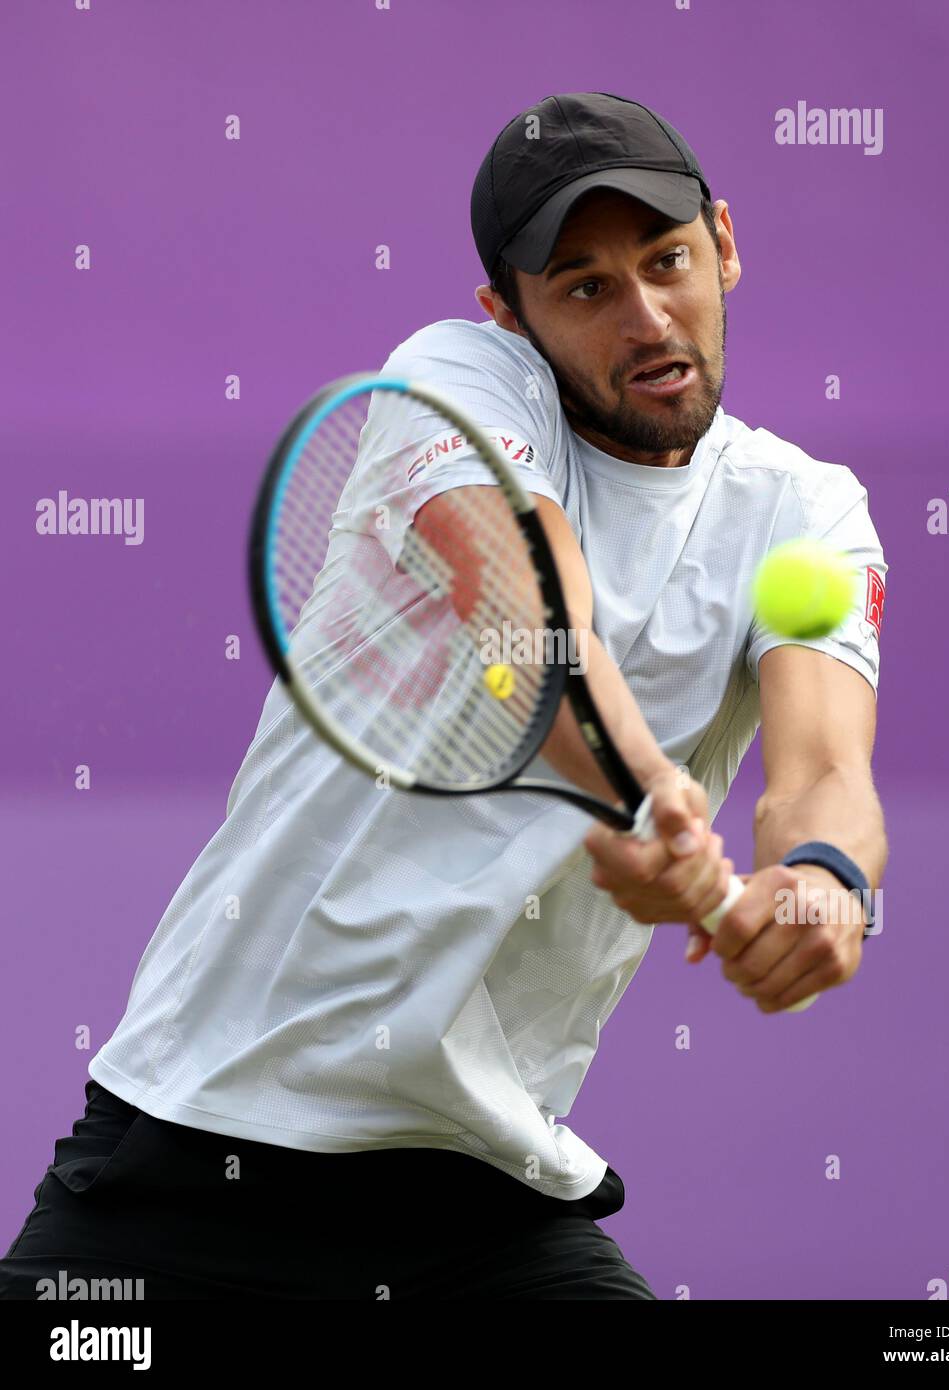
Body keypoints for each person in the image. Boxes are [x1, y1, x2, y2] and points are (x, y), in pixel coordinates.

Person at [1, 92, 887, 1301]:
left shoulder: (805, 513)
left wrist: (824, 882)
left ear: (724, 242)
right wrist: (645, 795)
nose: (646, 317)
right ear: (507, 315)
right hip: (197, 1154)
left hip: (488, 1194)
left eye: (669, 261)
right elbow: (528, 611)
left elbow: (826, 768)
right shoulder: (453, 378)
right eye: (582, 287)